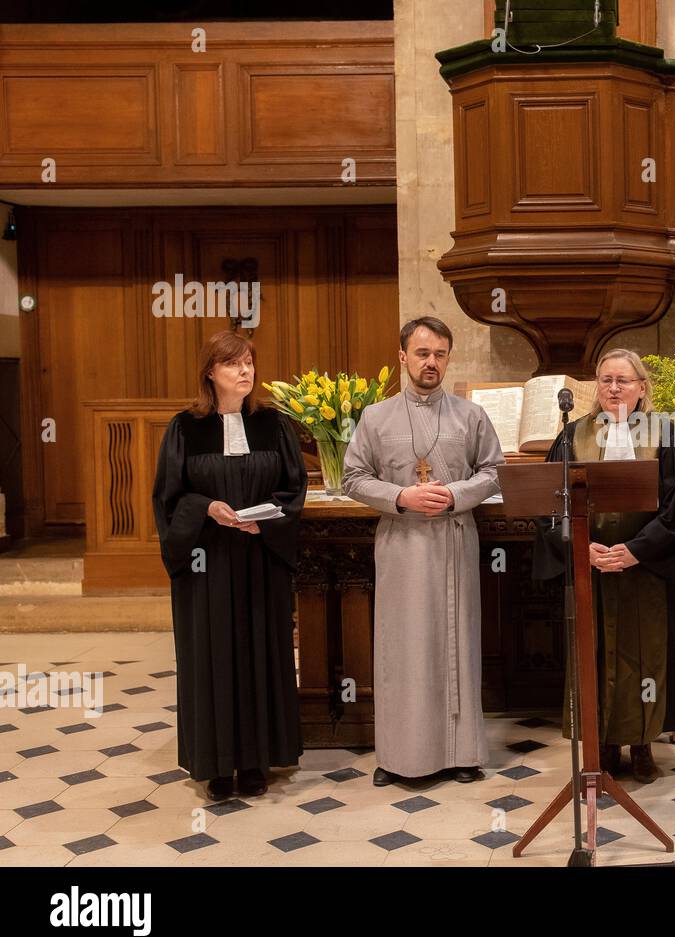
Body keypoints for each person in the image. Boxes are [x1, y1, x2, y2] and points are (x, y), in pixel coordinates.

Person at [342, 316, 504, 787]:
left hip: (454, 541)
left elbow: (495, 470)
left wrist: (455, 494)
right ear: (402, 356)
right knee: (403, 648)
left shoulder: (469, 415)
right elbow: (353, 477)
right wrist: (400, 496)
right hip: (402, 544)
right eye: (422, 353)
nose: (431, 362)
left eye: (439, 355)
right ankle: (396, 757)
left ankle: (460, 753)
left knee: (455, 643)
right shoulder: (376, 417)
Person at [152, 330, 307, 802]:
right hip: (208, 565)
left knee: (261, 651)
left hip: (261, 560)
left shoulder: (273, 424)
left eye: (249, 363)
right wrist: (207, 508)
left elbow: (293, 487)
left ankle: (256, 760)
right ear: (210, 372)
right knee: (211, 656)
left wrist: (268, 519)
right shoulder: (185, 427)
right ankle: (216, 765)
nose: (245, 371)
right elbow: (168, 497)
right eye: (233, 364)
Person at [533, 348, 675, 784]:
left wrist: (637, 550)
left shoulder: (668, 434)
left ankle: (643, 745)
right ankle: (601, 745)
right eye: (606, 380)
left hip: (645, 570)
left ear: (642, 387)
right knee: (594, 655)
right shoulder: (572, 436)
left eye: (623, 380)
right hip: (591, 568)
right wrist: (579, 547)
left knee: (643, 658)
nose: (613, 388)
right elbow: (550, 504)